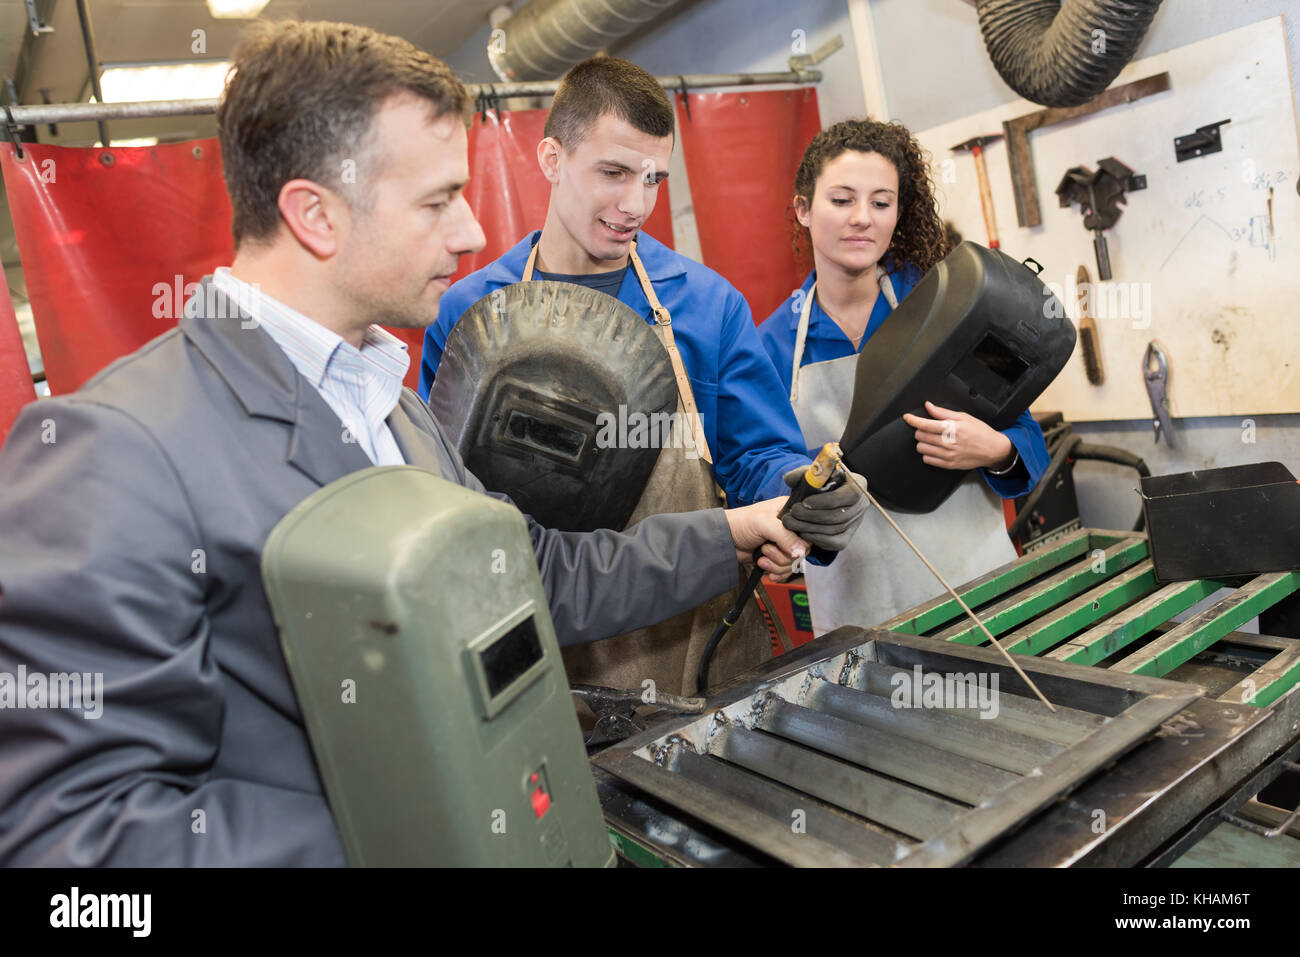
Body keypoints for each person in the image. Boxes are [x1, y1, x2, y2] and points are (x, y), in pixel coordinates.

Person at [0, 21, 840, 866]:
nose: (471, 231)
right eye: (437, 201)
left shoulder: (395, 407)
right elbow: (70, 837)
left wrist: (731, 532)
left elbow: (534, 574)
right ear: (315, 215)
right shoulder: (114, 451)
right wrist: (429, 820)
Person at [418, 57, 866, 696]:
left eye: (654, 178)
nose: (636, 205)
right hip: (532, 654)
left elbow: (756, 454)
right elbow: (445, 503)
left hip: (694, 651)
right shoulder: (474, 315)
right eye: (614, 173)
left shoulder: (706, 305)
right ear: (551, 158)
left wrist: (796, 492)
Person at [757, 119, 1050, 634]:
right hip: (857, 621)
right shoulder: (771, 346)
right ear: (803, 208)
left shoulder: (951, 304)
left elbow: (1026, 434)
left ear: (898, 212)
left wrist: (995, 449)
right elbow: (763, 476)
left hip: (979, 598)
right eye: (841, 200)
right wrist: (782, 539)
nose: (862, 219)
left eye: (881, 202)